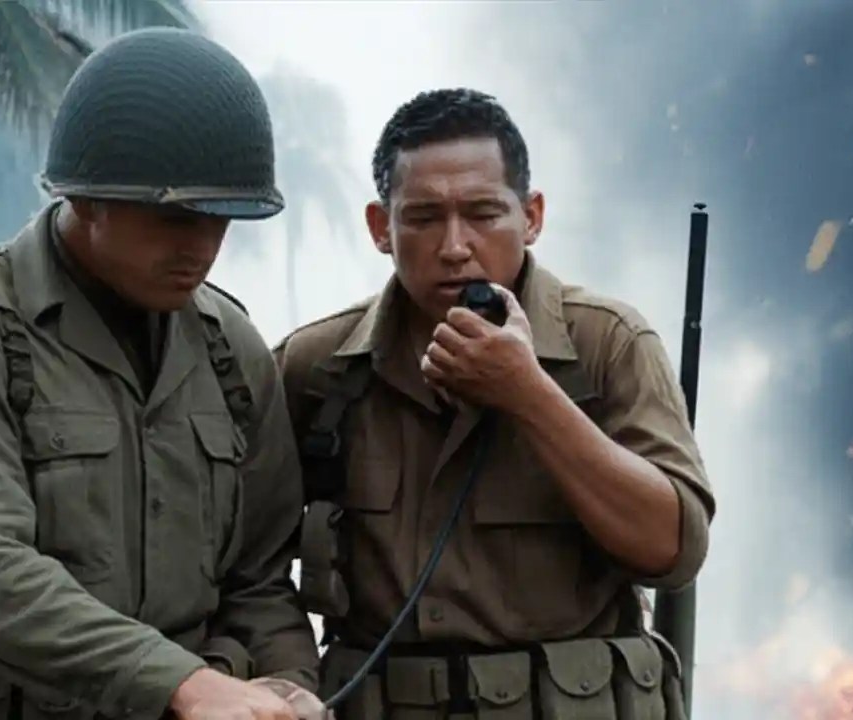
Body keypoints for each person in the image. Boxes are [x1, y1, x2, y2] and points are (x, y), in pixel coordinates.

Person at [0, 28, 326, 720]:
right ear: (87, 199)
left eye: (221, 217)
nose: (201, 245)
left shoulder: (231, 351)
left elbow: (260, 578)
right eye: (174, 216)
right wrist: (185, 686)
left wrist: (287, 687)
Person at [274, 88, 716, 719]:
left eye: (484, 214)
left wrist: (529, 394)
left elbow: (673, 551)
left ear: (531, 216)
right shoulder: (316, 366)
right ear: (381, 227)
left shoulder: (605, 345)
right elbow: (246, 575)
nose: (455, 246)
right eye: (423, 218)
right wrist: (286, 682)